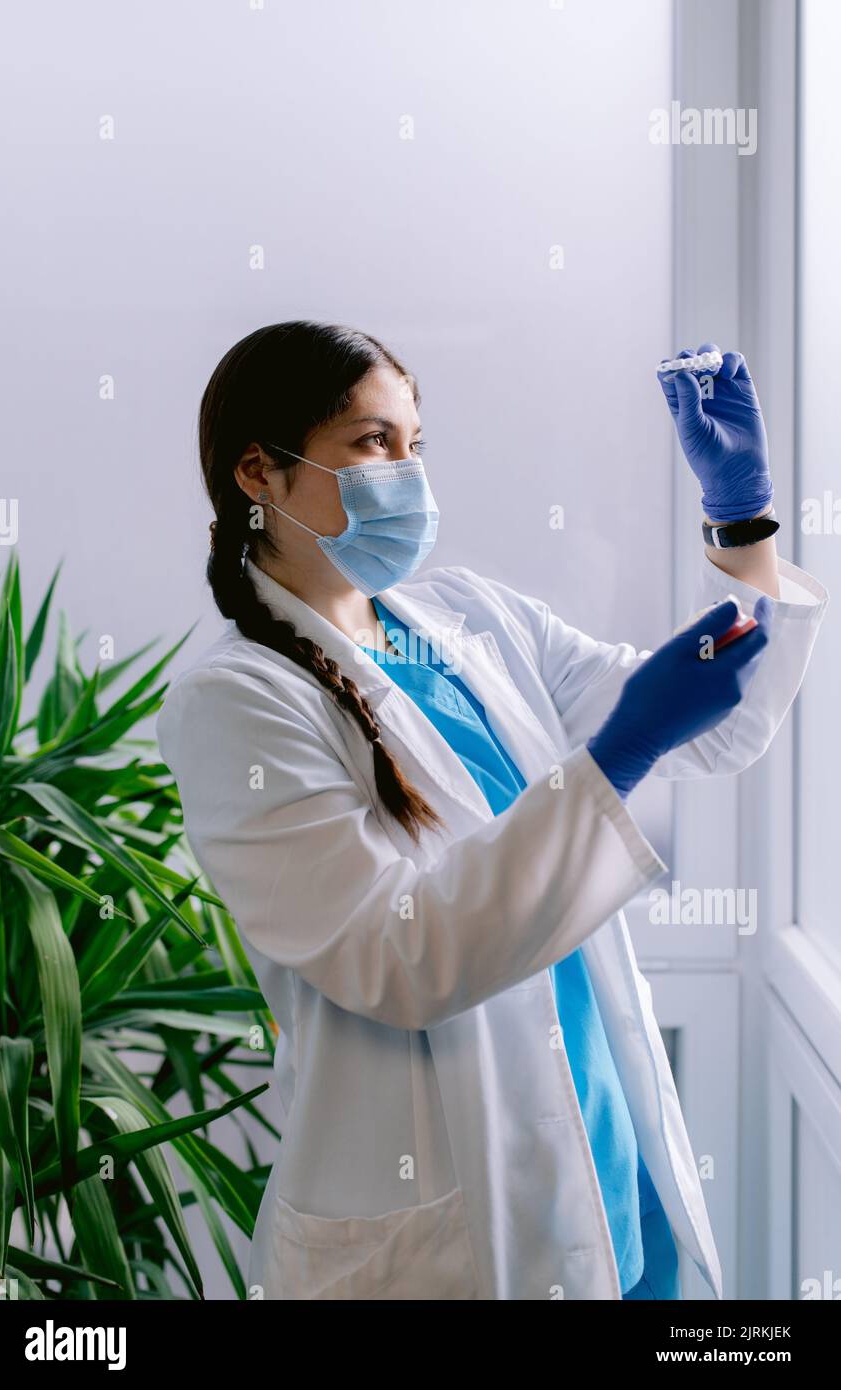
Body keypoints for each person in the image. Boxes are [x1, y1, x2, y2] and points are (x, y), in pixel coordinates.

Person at [155, 320, 828, 1300]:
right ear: (258, 472)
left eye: (413, 442)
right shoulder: (237, 704)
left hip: (604, 1171)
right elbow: (399, 956)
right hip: (441, 1236)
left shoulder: (474, 618)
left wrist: (740, 517)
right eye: (371, 442)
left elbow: (721, 729)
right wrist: (617, 752)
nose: (407, 472)